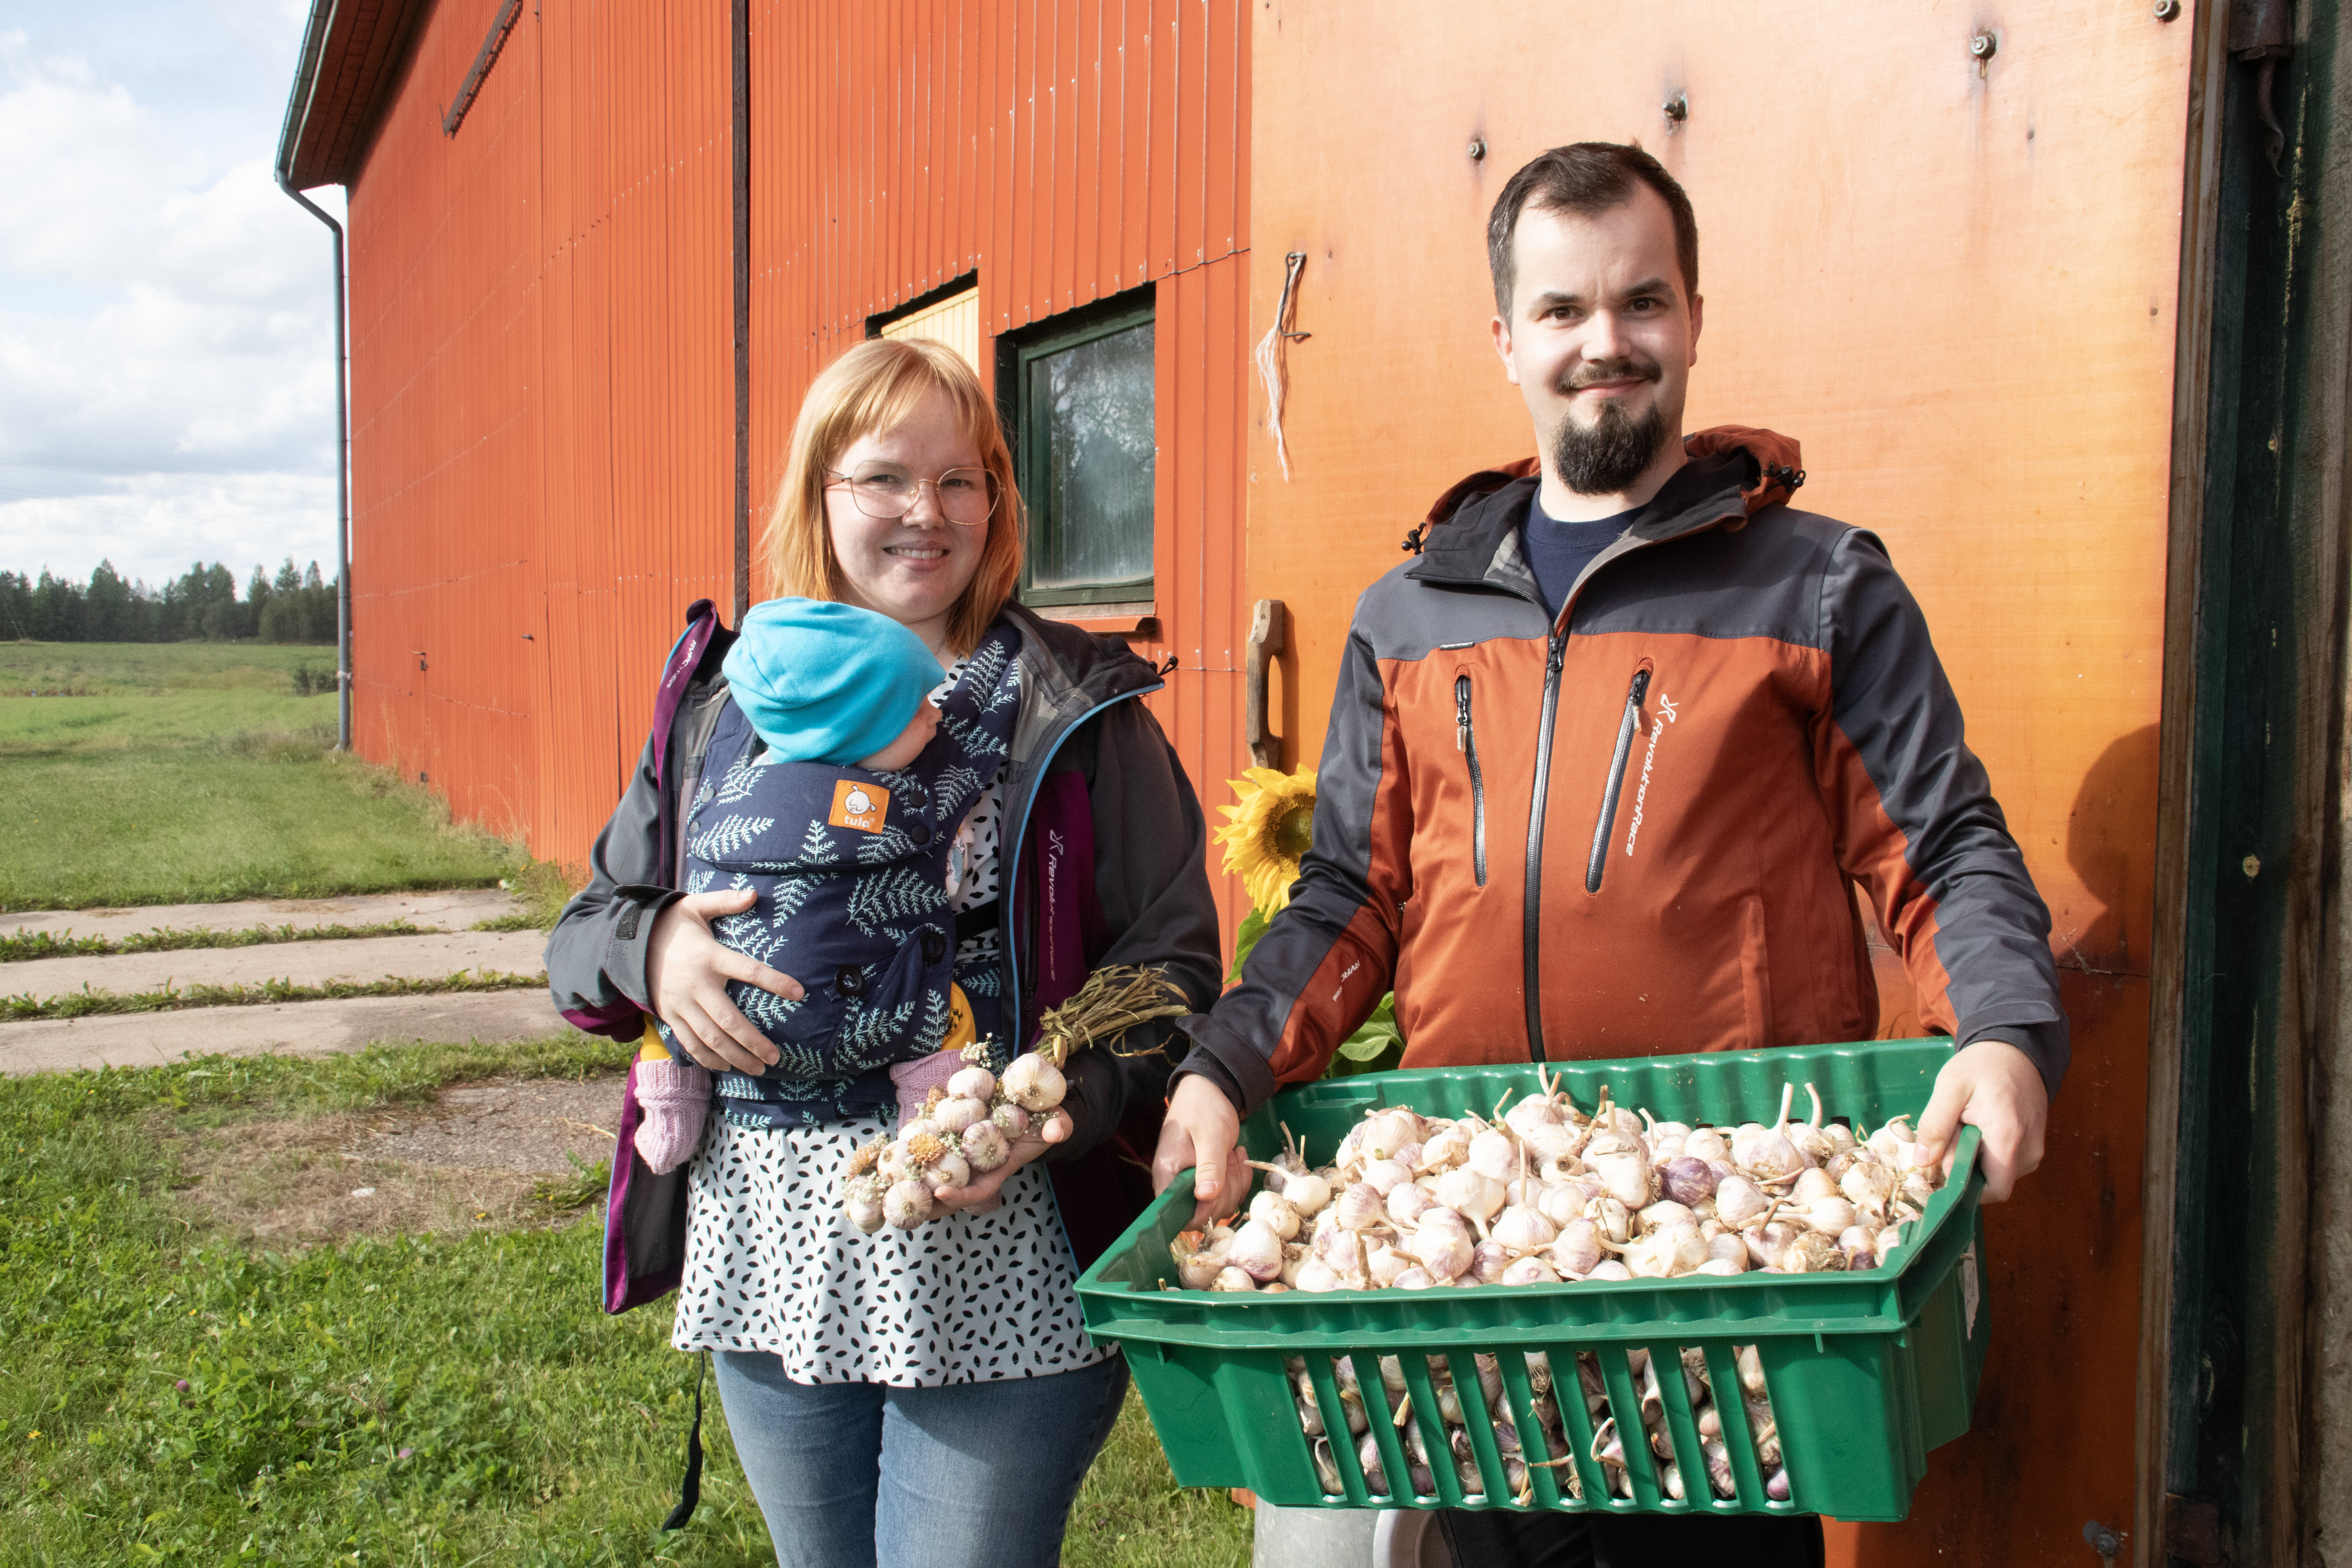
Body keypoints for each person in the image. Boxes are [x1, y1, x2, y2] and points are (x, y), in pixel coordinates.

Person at [1151, 143, 2064, 1566]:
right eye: (1565, 311)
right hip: (1483, 1244)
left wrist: (2002, 1028)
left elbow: (1943, 843)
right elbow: (1349, 893)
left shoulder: (1816, 583)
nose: (1606, 345)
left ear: (1693, 316)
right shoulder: (1409, 614)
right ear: (1507, 338)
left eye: (1641, 303)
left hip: (1717, 1263)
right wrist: (1227, 1065)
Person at [546, 337, 1223, 1567]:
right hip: (773, 1237)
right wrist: (655, 955)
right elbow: (588, 925)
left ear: (998, 502)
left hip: (1002, 1234)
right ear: (819, 494)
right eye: (885, 479)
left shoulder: (1075, 706)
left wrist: (1060, 1100)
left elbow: (1172, 966)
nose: (928, 513)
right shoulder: (724, 700)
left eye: (961, 479)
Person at [630, 595, 1000, 1177]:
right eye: (915, 707)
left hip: (739, 1028)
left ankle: (672, 1098)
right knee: (940, 1005)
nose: (936, 715)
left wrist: (650, 940)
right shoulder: (891, 807)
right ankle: (930, 1119)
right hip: (878, 1018)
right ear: (858, 729)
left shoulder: (720, 798)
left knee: (672, 1009)